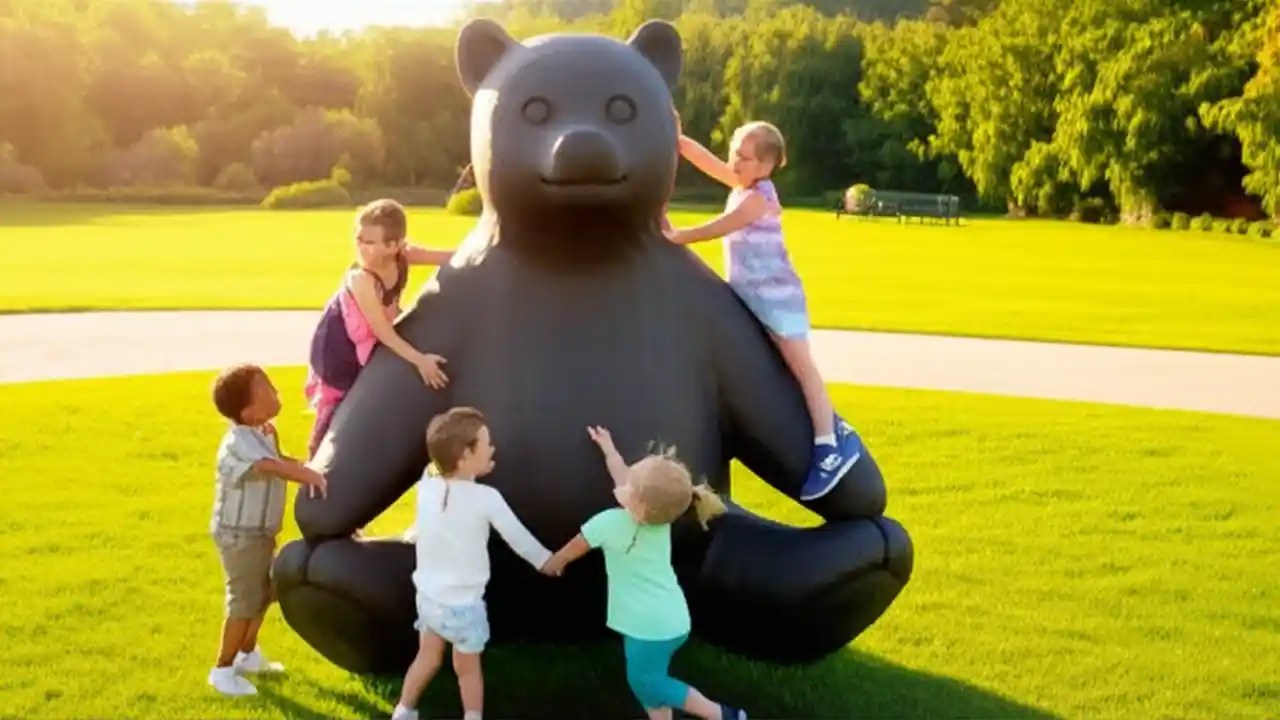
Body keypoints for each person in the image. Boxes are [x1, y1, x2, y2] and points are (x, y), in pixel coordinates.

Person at [665, 120, 861, 501]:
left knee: (801, 368)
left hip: (778, 300)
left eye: (743, 157)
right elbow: (706, 161)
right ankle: (826, 428)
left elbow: (721, 226)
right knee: (778, 367)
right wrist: (676, 140)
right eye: (733, 153)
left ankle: (830, 444)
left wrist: (678, 236)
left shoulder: (758, 198)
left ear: (765, 166)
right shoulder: (742, 183)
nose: (733, 162)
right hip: (751, 297)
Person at [542, 426, 747, 720]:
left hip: (647, 628)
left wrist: (554, 563)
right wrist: (609, 449)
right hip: (671, 619)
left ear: (638, 506)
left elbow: (574, 547)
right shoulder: (658, 519)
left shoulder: (608, 523)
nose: (624, 483)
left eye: (631, 486)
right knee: (652, 682)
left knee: (646, 683)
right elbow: (624, 479)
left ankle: (723, 714)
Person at [391, 407, 556, 720]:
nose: (493, 448)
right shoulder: (487, 498)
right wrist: (546, 561)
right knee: (466, 669)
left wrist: (469, 468)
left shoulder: (427, 486)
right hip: (464, 606)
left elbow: (438, 474)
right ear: (465, 455)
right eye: (486, 444)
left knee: (427, 658)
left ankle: (404, 710)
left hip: (429, 600)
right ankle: (472, 716)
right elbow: (518, 537)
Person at [207, 364, 328, 696]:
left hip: (261, 533)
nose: (275, 392)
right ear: (248, 410)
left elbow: (279, 458)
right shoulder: (239, 440)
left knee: (265, 593)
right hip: (239, 535)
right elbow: (268, 465)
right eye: (265, 389)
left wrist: (305, 465)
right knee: (244, 600)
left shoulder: (266, 432)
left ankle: (246, 654)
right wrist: (310, 476)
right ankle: (222, 669)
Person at [305, 198, 454, 461]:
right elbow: (383, 331)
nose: (362, 248)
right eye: (359, 239)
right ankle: (316, 460)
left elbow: (450, 257)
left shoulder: (404, 257)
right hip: (340, 347)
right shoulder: (361, 279)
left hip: (374, 335)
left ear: (394, 245)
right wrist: (420, 361)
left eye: (371, 242)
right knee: (337, 408)